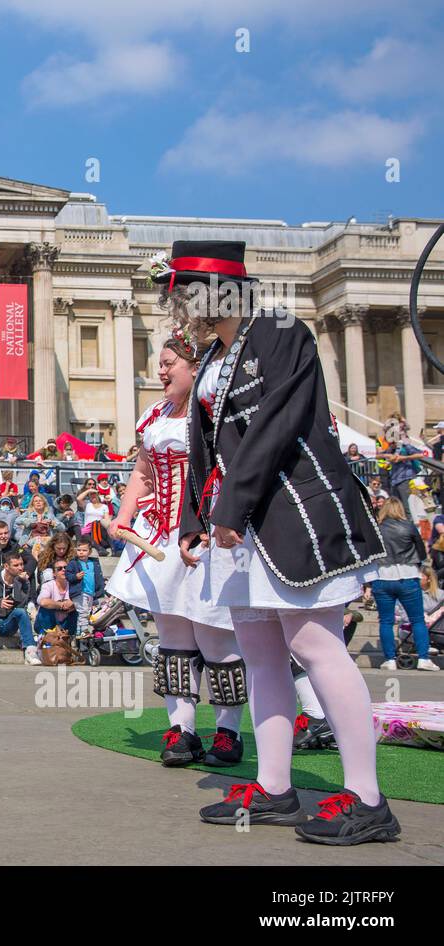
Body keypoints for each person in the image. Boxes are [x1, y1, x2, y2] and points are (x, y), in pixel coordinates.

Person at [171, 239, 398, 844]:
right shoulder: (215, 354)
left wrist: (232, 505)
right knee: (261, 651)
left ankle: (368, 799)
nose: (178, 305)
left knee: (317, 646)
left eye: (184, 291)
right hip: (243, 526)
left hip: (292, 510)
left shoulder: (279, 331)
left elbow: (278, 422)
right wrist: (194, 518)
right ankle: (274, 787)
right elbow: (206, 448)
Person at [109, 327, 247, 767]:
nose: (161, 370)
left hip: (208, 537)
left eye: (170, 363)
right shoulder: (154, 416)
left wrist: (213, 526)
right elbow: (144, 472)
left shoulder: (211, 415)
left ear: (195, 367)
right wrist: (124, 514)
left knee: (215, 637)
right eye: (161, 363)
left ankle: (228, 732)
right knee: (173, 640)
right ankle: (182, 732)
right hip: (161, 536)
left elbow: (229, 472)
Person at [371, 497, 434, 670]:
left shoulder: (377, 528)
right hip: (407, 575)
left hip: (382, 576)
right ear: (400, 509)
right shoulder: (408, 527)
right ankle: (423, 658)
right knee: (417, 620)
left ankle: (390, 659)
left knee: (386, 621)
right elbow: (421, 553)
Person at [35, 559, 76, 636]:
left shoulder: (74, 585)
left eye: (66, 568)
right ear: (54, 573)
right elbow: (42, 601)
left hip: (66, 622)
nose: (63, 570)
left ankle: (71, 637)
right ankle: (46, 637)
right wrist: (61, 605)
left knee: (77, 607)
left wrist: (73, 603)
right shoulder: (48, 585)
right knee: (45, 608)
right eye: (59, 569)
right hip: (49, 622)